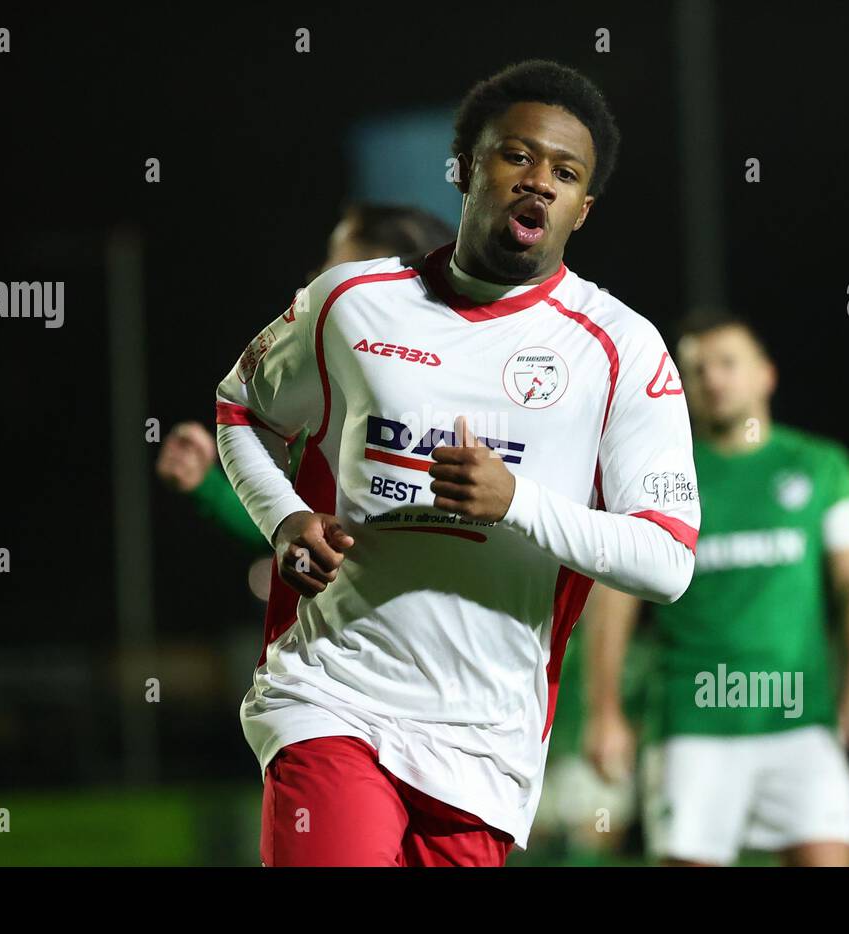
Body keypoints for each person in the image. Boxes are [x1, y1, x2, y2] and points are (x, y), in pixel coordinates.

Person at [214, 59, 700, 866]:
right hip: (335, 694)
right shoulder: (351, 301)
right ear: (466, 169)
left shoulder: (622, 350)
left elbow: (666, 560)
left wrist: (515, 502)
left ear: (583, 207)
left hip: (485, 739)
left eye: (565, 172)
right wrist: (285, 517)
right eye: (517, 156)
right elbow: (242, 411)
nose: (538, 181)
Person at [584, 308, 849, 866]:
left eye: (728, 363)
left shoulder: (820, 466)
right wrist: (604, 710)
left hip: (801, 720)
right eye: (696, 369)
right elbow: (616, 596)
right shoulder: (659, 477)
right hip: (693, 724)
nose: (712, 379)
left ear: (766, 375)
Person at [156, 203, 455, 547]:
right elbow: (297, 525)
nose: (315, 278)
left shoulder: (446, 396)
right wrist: (207, 485)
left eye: (335, 264)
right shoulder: (324, 390)